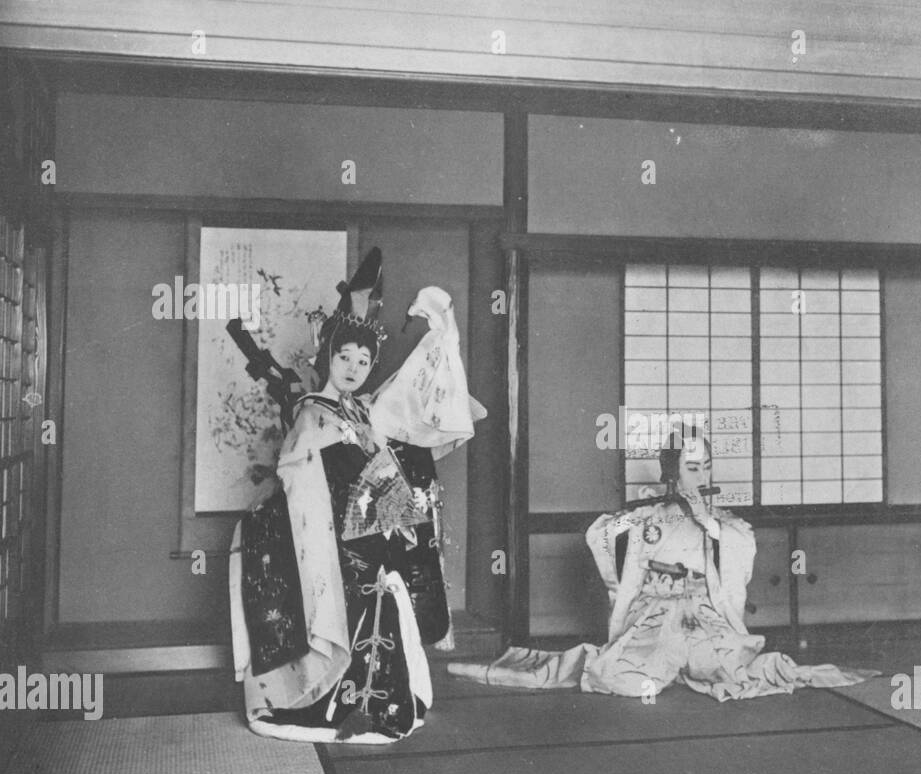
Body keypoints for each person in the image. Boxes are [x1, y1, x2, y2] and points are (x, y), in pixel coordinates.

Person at [230, 253, 484, 743]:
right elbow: (299, 479)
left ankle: (384, 702)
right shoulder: (311, 410)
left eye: (363, 360)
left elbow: (412, 420)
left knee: (387, 599)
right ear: (328, 357)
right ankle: (337, 705)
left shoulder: (364, 410)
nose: (353, 367)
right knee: (360, 602)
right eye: (344, 357)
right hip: (330, 536)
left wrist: (442, 334)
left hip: (370, 529)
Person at [448, 433, 870, 701]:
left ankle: (687, 667)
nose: (701, 476)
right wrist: (642, 515)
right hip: (658, 612)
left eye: (706, 467)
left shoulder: (722, 521)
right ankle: (653, 667)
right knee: (619, 679)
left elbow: (742, 548)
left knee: (734, 674)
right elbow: (601, 535)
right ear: (672, 473)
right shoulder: (652, 513)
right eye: (691, 468)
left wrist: (708, 523)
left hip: (704, 613)